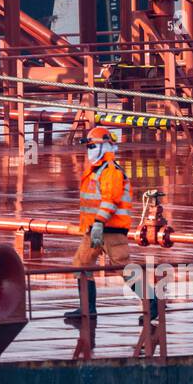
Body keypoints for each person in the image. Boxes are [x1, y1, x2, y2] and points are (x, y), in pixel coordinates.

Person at [65, 125, 135, 325]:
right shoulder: (96, 171)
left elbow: (109, 200)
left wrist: (98, 223)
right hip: (94, 230)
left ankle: (153, 302)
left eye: (92, 146)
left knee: (123, 268)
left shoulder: (111, 171)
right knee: (81, 264)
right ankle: (88, 309)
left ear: (105, 147)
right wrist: (93, 226)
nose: (89, 151)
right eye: (88, 147)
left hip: (111, 230)